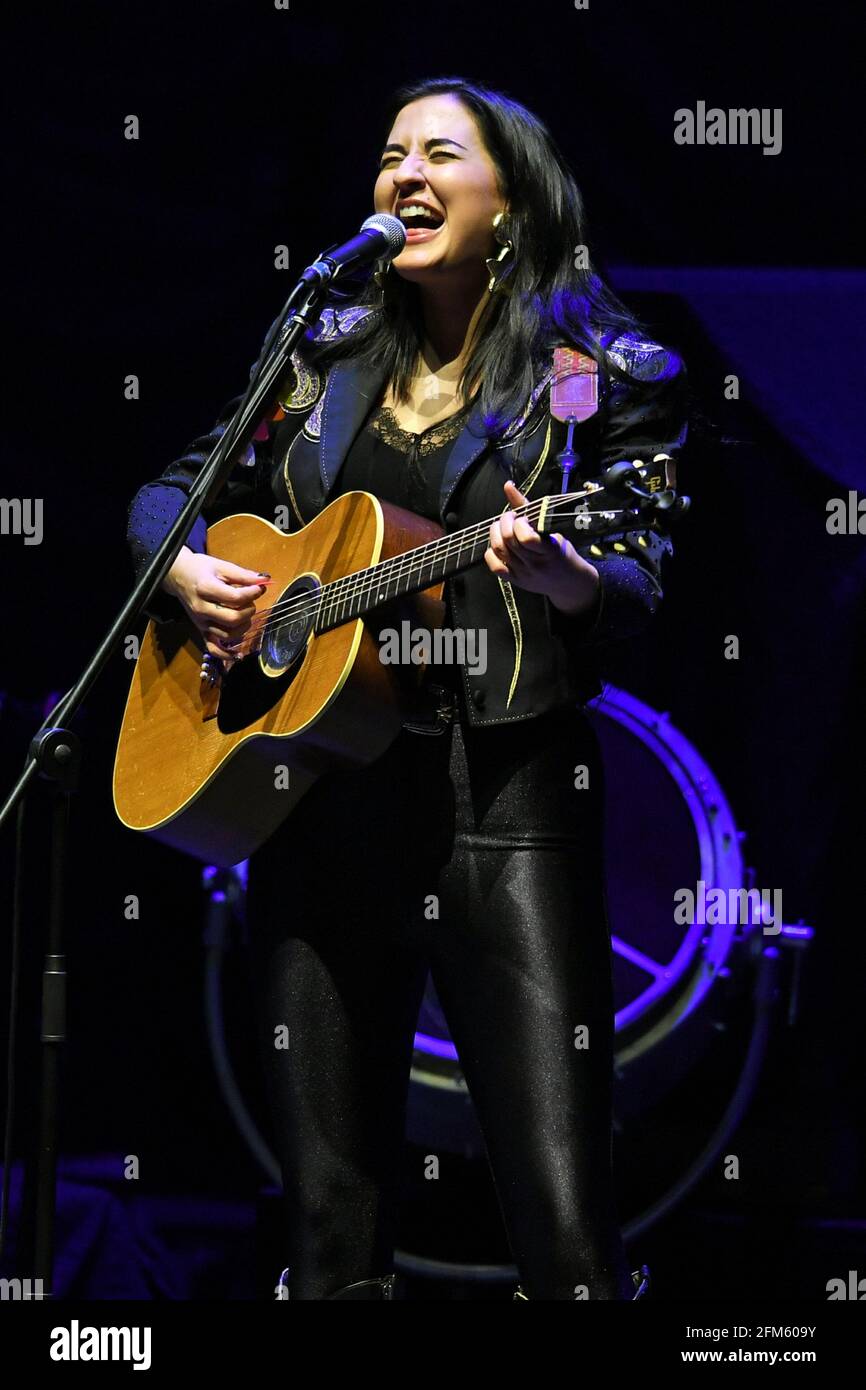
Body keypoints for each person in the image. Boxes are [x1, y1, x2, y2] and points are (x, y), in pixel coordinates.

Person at [126, 76, 688, 1300]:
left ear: (510, 197)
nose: (404, 175)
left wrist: (569, 574)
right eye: (389, 155)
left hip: (504, 799)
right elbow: (176, 484)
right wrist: (180, 569)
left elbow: (641, 568)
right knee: (327, 1233)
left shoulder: (587, 368)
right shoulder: (321, 355)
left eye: (441, 152)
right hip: (323, 802)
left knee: (566, 1239)